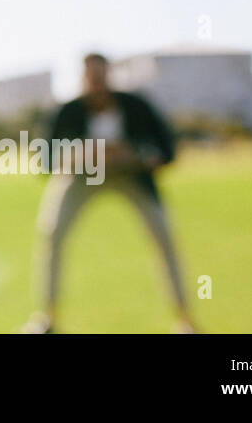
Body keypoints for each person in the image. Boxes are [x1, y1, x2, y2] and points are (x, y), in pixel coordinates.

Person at [23, 53, 196, 333]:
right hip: (81, 177)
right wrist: (78, 155)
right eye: (91, 78)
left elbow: (167, 150)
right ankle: (47, 319)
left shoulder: (136, 106)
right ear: (83, 79)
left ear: (109, 77)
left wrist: (134, 154)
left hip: (132, 177)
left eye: (101, 77)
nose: (96, 84)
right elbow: (44, 159)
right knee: (51, 233)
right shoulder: (69, 111)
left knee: (164, 236)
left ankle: (185, 320)